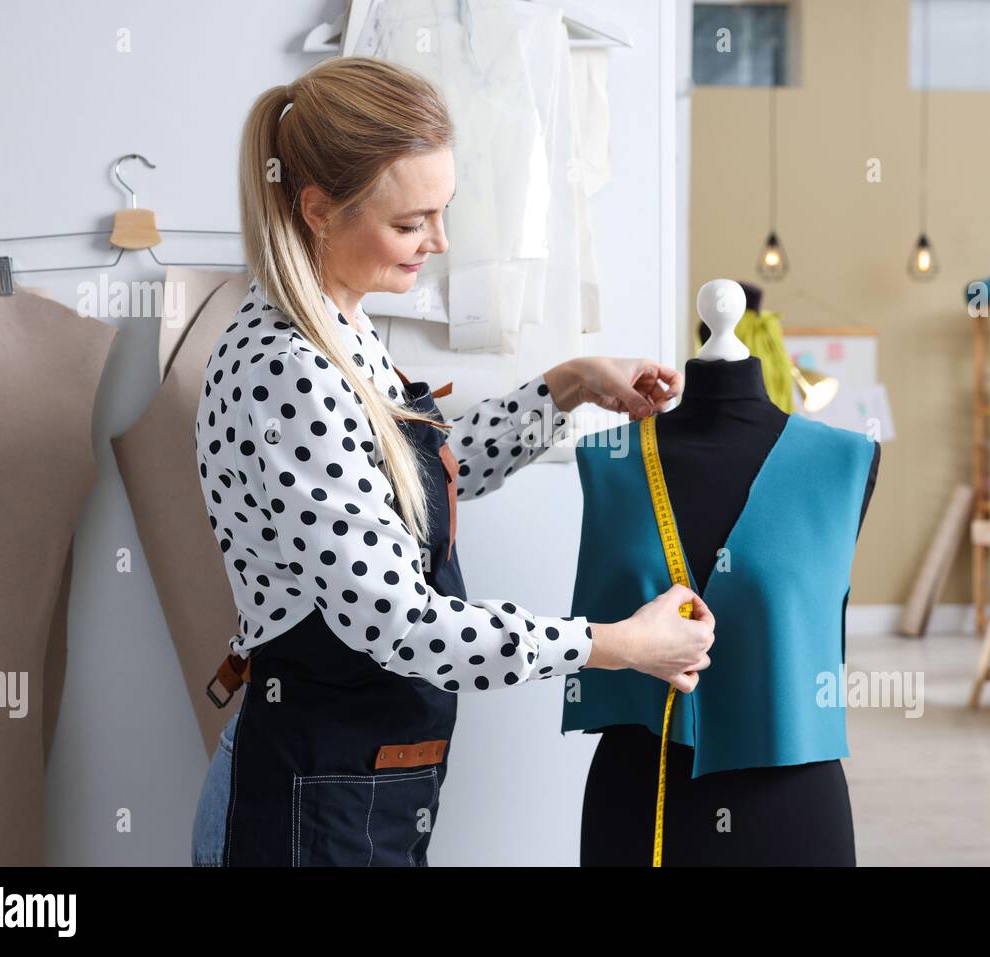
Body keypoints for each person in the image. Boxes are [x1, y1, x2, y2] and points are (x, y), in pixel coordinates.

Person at [190, 56, 714, 866]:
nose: (439, 241)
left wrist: (567, 385)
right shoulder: (288, 367)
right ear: (318, 209)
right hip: (310, 805)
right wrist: (618, 644)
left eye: (444, 212)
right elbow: (401, 623)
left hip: (351, 792)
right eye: (411, 222)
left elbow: (416, 481)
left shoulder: (343, 336)